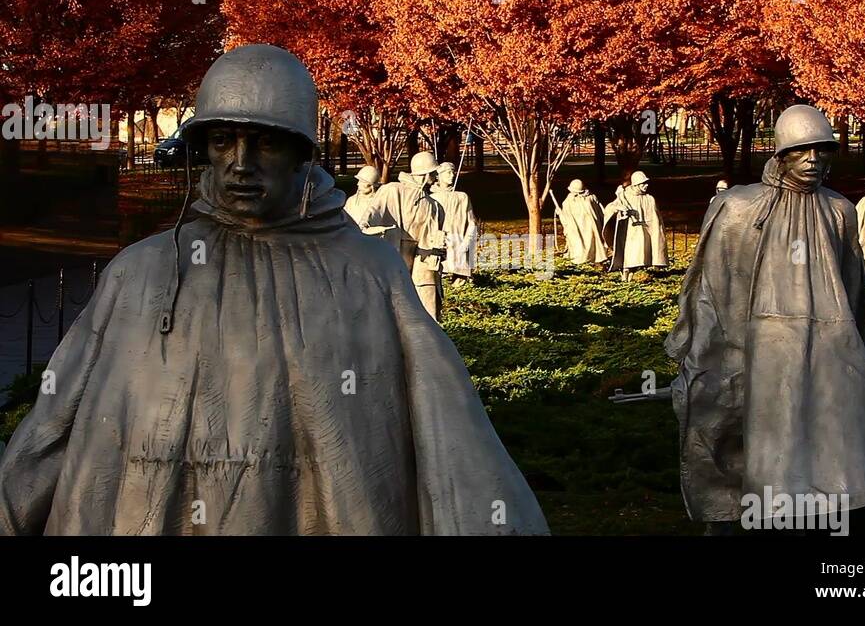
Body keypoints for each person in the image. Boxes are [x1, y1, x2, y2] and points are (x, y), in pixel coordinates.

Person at [0, 44, 548, 536]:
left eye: (264, 144)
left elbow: (450, 433)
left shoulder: (366, 271)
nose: (240, 163)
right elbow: (53, 423)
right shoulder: (143, 272)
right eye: (222, 140)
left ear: (300, 153)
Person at [666, 105, 865, 532]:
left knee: (826, 423)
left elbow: (853, 283)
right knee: (736, 423)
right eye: (802, 151)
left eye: (822, 152)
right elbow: (712, 284)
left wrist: (857, 344)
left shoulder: (839, 209)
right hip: (753, 337)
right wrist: (711, 342)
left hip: (825, 337)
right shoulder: (739, 207)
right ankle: (731, 513)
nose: (813, 160)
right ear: (782, 154)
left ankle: (825, 505)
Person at [370, 152, 448, 320]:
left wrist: (437, 249)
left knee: (427, 304)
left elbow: (433, 237)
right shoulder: (393, 190)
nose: (436, 177)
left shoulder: (434, 205)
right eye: (433, 173)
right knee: (392, 306)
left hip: (421, 261)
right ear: (425, 173)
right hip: (395, 253)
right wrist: (368, 230)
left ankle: (427, 341)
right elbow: (371, 216)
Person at [601, 171, 667, 281]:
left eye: (646, 183)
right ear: (636, 184)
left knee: (640, 252)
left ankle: (632, 271)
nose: (646, 186)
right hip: (629, 231)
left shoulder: (649, 199)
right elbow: (611, 208)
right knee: (629, 251)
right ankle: (626, 271)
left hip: (644, 230)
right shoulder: (625, 196)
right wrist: (622, 212)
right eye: (643, 184)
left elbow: (655, 219)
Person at [429, 161, 477, 285]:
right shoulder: (432, 198)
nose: (452, 175)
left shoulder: (462, 197)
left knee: (461, 287)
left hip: (459, 246)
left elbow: (472, 222)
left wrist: (467, 242)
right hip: (440, 247)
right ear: (438, 175)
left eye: (453, 172)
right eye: (448, 173)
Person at [558, 179, 607, 265]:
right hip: (580, 227)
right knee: (581, 243)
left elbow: (565, 219)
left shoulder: (572, 200)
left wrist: (560, 214)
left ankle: (586, 260)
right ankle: (584, 260)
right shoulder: (587, 197)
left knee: (587, 243)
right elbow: (601, 212)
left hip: (588, 227)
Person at [343, 164, 392, 237]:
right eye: (359, 181)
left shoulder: (380, 202)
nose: (358, 184)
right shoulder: (351, 201)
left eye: (362, 181)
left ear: (371, 185)